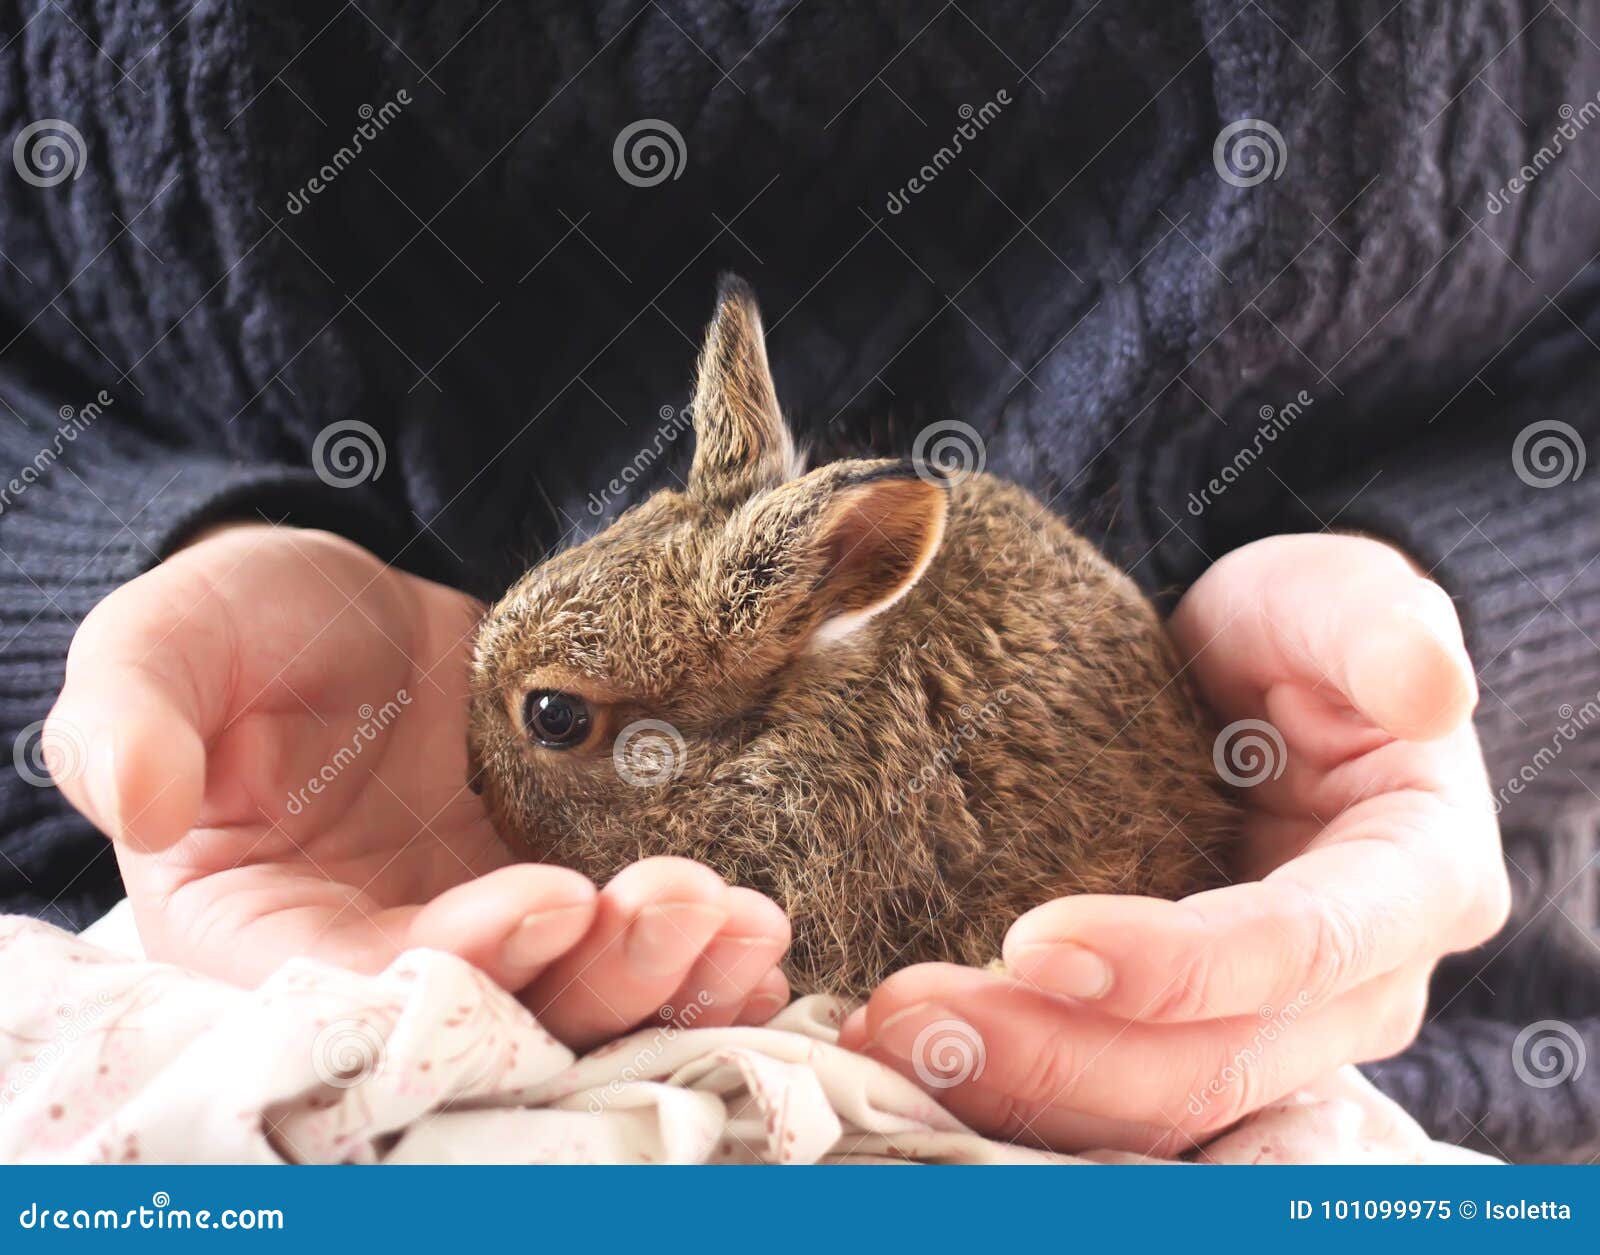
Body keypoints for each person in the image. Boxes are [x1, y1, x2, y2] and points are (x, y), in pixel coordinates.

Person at [1, 3, 1594, 1159]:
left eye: (551, 718)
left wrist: (1447, 616)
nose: (490, 764)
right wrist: (112, 577)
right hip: (155, 967)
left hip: (1399, 1087)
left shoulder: (799, 789)